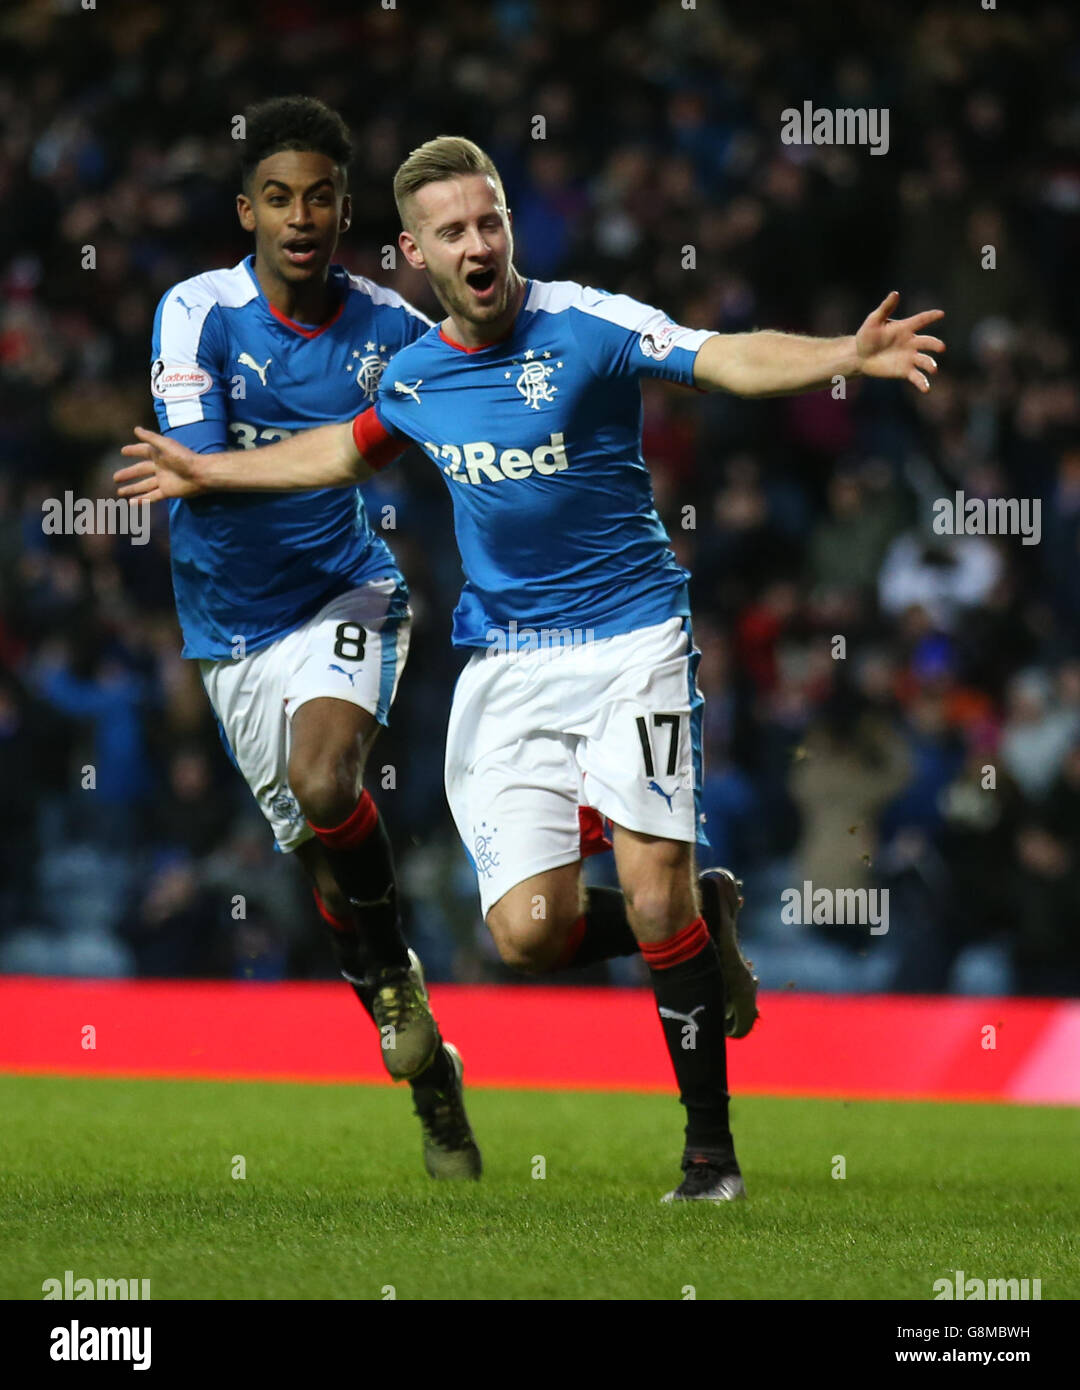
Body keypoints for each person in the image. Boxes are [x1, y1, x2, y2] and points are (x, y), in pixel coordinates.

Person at [118, 135, 945, 1202]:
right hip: (507, 661)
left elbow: (715, 354)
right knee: (529, 931)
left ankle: (709, 1159)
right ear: (415, 253)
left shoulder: (586, 322)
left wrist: (841, 351)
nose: (479, 243)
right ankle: (706, 923)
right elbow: (334, 451)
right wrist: (207, 465)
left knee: (651, 894)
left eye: (491, 219)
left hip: (634, 639)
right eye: (454, 229)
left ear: (510, 223)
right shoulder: (414, 374)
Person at [133, 102, 480, 1181]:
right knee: (323, 860)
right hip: (231, 632)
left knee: (327, 779)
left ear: (345, 209)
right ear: (248, 210)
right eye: (279, 196)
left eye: (323, 195)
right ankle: (420, 1048)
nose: (302, 215)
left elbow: (488, 396)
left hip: (347, 592)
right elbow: (198, 468)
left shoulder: (389, 332)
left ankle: (397, 984)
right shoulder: (196, 313)